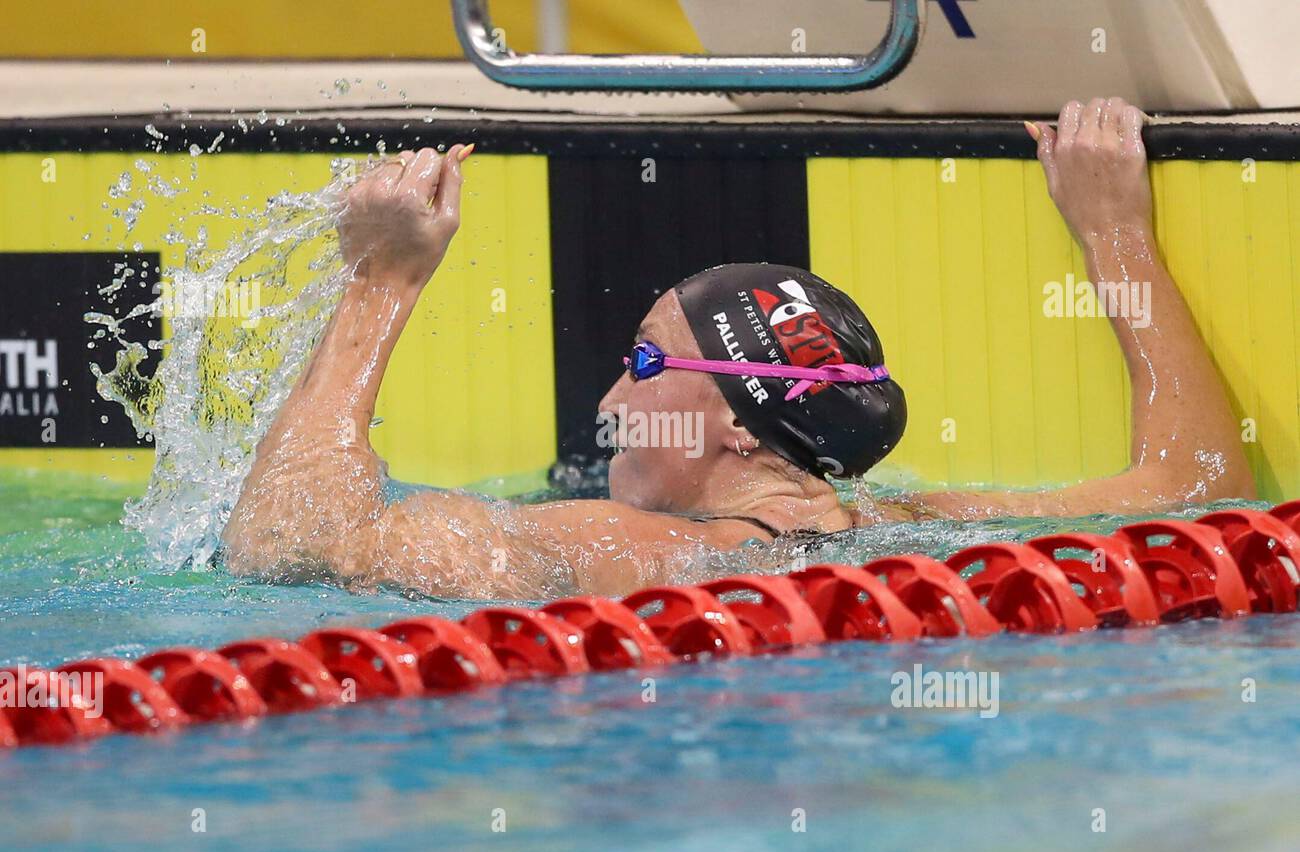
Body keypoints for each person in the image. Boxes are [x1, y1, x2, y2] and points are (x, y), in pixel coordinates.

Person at [221, 97, 1254, 599]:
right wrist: (1114, 233)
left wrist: (380, 285)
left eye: (647, 364)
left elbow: (280, 545)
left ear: (747, 438)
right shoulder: (920, 526)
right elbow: (1198, 488)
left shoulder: (635, 549)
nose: (613, 399)